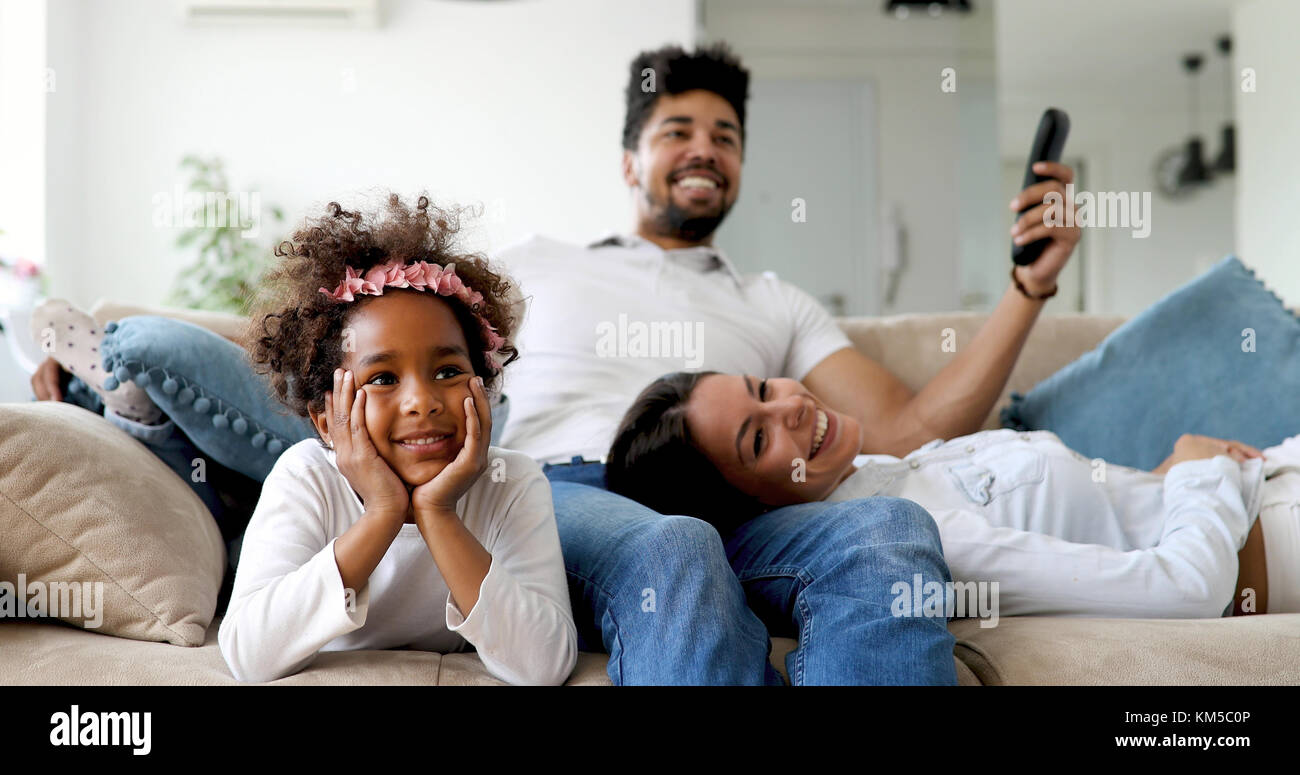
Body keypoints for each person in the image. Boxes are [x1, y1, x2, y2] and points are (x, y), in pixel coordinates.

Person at [30, 43, 1081, 685]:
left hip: (735, 501)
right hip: (571, 487)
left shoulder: (774, 303)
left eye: (724, 133)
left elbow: (903, 431)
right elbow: (340, 348)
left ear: (742, 165)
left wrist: (1028, 290)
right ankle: (126, 383)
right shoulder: (521, 273)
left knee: (888, 523)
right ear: (632, 162)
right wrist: (102, 386)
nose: (704, 147)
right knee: (671, 549)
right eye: (678, 129)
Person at [217, 195, 576, 684]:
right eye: (383, 379)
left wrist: (437, 513)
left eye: (448, 371)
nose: (421, 402)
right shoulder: (306, 475)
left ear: (484, 386)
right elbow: (247, 655)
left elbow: (545, 665)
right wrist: (385, 511)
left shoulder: (511, 481)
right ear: (327, 421)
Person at [605, 369, 1300, 618]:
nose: (788, 405)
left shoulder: (879, 470)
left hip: (1265, 475)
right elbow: (1185, 588)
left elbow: (1108, 518)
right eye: (756, 440)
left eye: (763, 386)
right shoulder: (920, 540)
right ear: (751, 507)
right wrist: (1195, 470)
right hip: (1276, 534)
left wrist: (1171, 471)